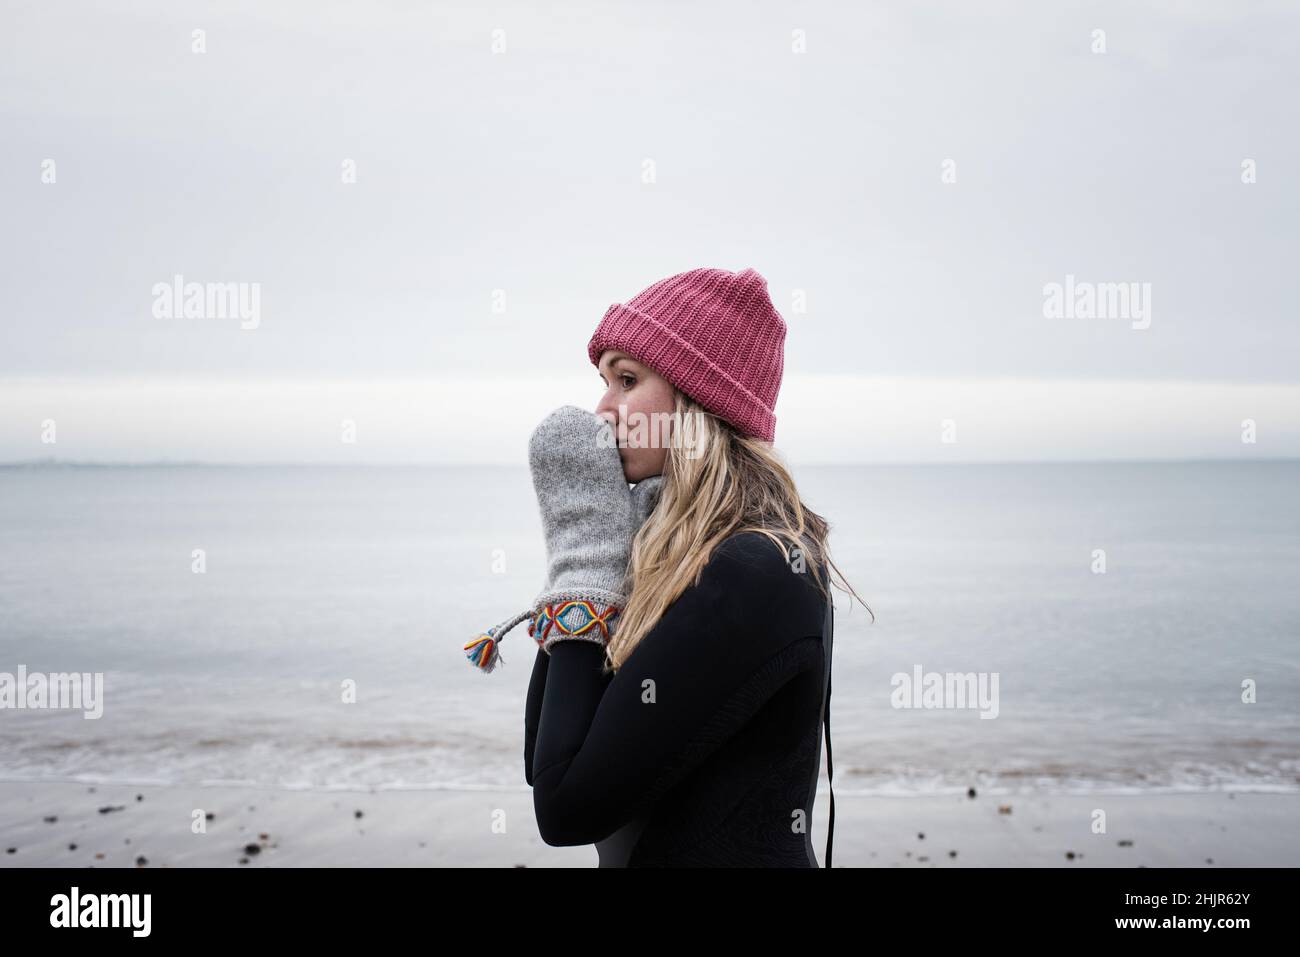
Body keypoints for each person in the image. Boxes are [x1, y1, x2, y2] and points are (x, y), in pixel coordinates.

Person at [465, 266, 868, 866]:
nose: (602, 409)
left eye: (627, 379)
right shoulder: (682, 562)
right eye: (602, 380)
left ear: (699, 403)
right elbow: (544, 756)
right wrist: (609, 555)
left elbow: (565, 808)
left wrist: (586, 547)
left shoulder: (751, 570)